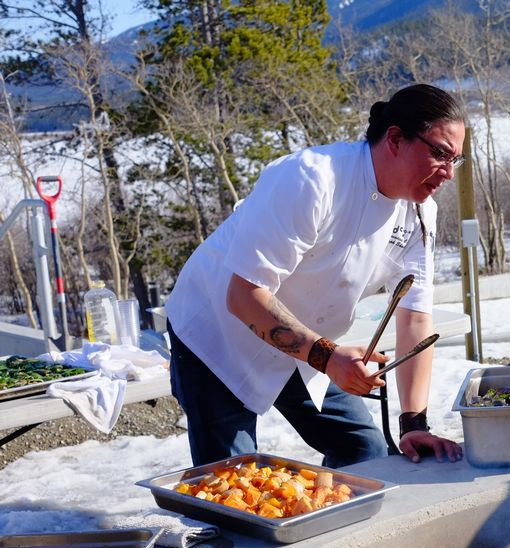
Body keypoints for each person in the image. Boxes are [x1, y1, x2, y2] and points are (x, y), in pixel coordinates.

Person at [165, 83, 465, 468]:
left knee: (364, 452)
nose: (449, 174)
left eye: (456, 160)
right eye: (440, 154)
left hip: (309, 342)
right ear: (395, 138)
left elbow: (416, 316)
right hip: (217, 335)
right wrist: (327, 357)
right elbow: (243, 295)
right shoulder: (311, 178)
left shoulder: (421, 213)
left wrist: (413, 423)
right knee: (232, 482)